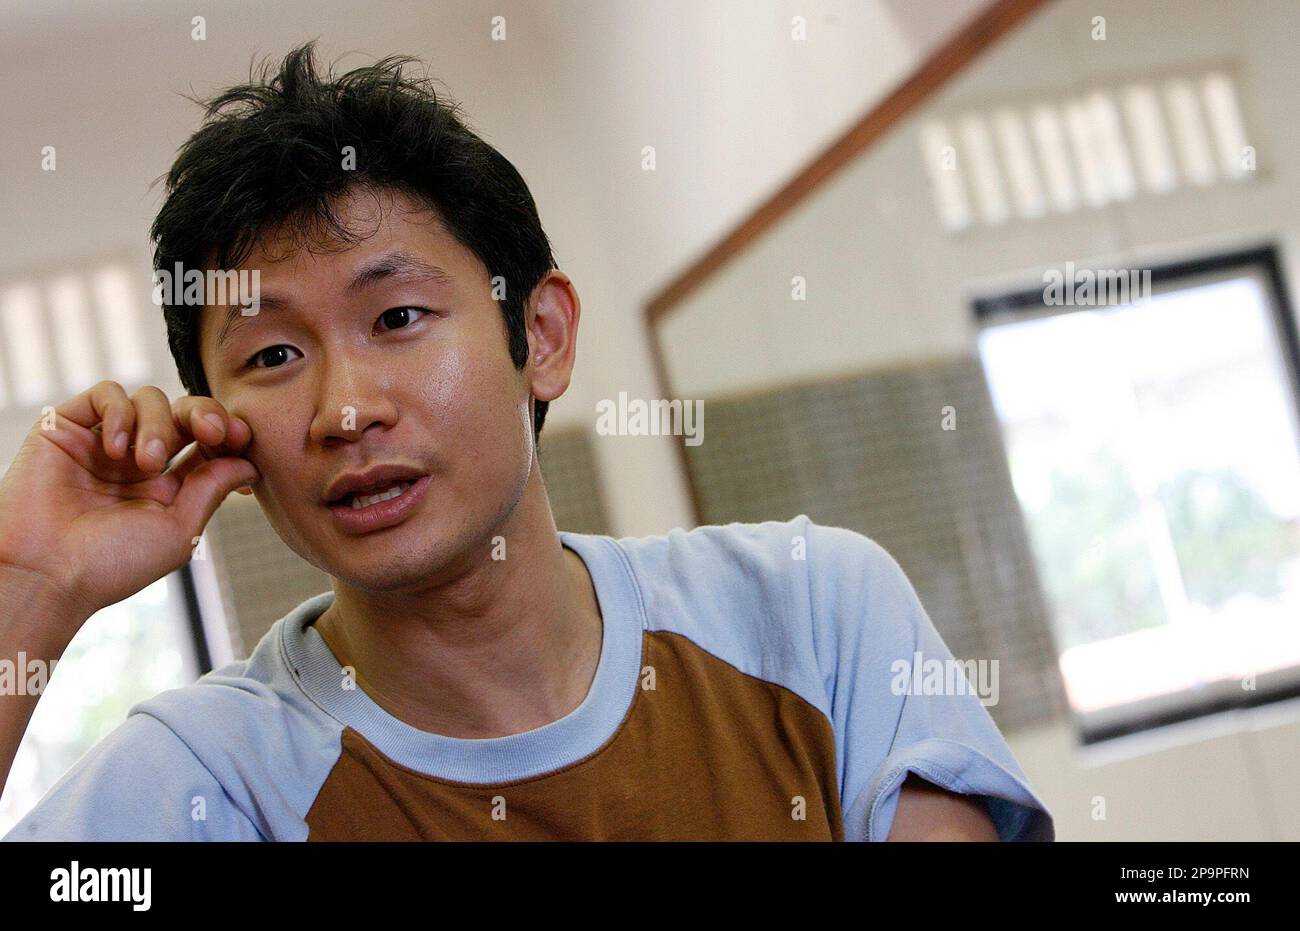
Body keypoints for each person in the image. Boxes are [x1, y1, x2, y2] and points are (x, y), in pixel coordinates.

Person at [0, 43, 1053, 841]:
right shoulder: (211, 780)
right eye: (273, 356)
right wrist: (34, 584)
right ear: (217, 425)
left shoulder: (810, 613)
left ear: (539, 337)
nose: (345, 409)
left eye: (399, 317)